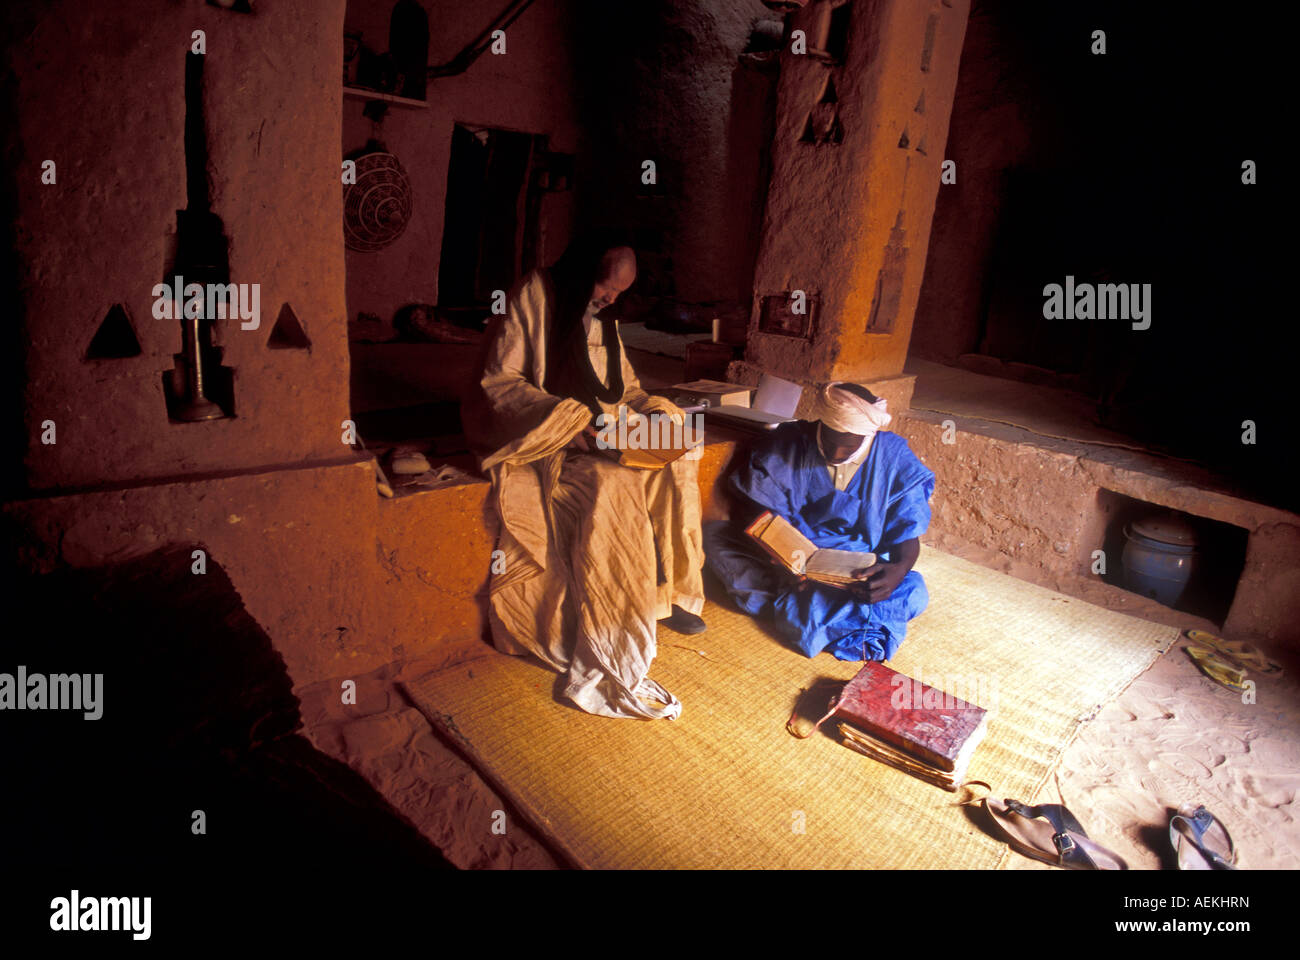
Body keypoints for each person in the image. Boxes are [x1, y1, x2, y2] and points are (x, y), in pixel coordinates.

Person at [462, 231, 705, 720]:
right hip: (550, 442)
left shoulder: (605, 314)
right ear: (583, 272)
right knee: (612, 486)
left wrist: (655, 413)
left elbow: (624, 388)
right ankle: (613, 632)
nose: (610, 299)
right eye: (605, 288)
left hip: (606, 437)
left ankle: (671, 598)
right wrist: (570, 424)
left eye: (619, 294)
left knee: (680, 452)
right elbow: (500, 383)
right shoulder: (535, 293)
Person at [703, 382, 935, 661]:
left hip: (853, 559)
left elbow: (907, 530)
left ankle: (803, 612)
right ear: (821, 424)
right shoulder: (788, 441)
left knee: (913, 588)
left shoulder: (893, 457)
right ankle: (839, 617)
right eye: (829, 441)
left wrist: (897, 571)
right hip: (786, 557)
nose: (836, 454)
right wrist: (782, 561)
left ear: (869, 436)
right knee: (712, 538)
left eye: (847, 446)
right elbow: (754, 510)